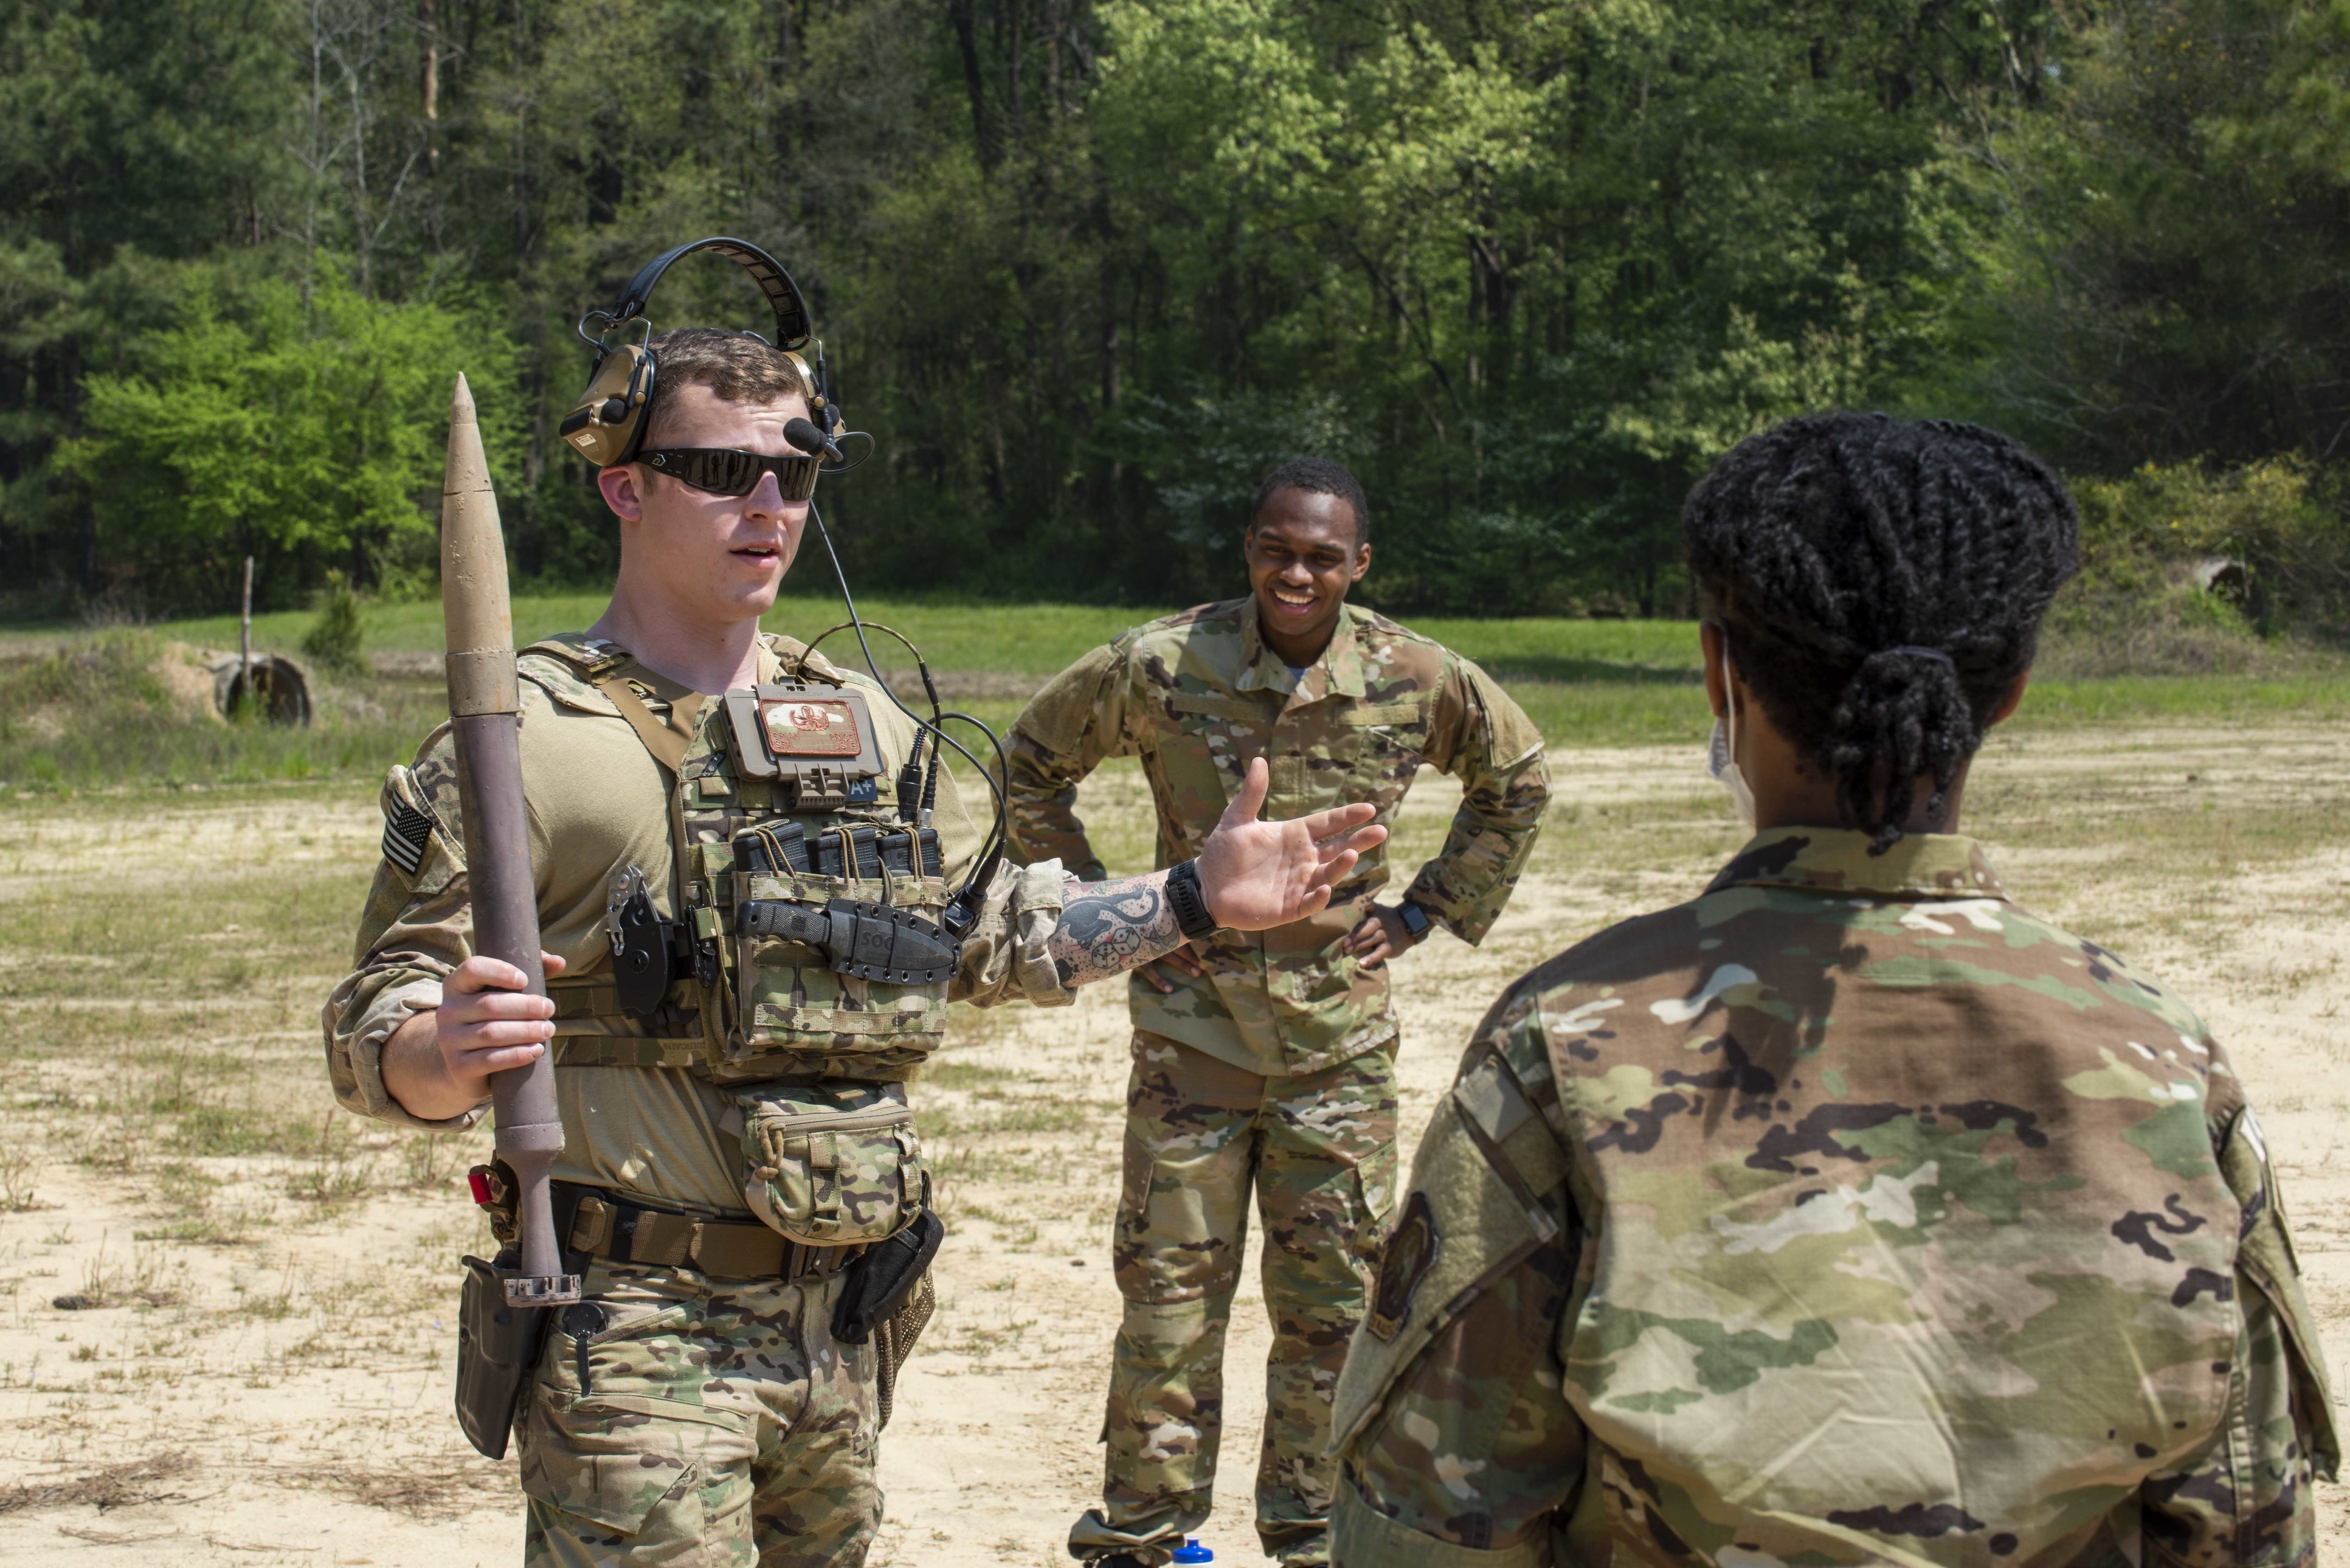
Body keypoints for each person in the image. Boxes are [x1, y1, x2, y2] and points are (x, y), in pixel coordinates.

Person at [321, 327, 1388, 1568]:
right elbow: (370, 1016)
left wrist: (1194, 897)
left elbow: (978, 938)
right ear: (625, 483)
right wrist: (435, 1053)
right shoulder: (527, 739)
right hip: (638, 1331)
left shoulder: (858, 724)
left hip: (844, 1318)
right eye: (723, 473)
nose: (769, 504)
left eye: (799, 469)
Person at [1327, 412, 2339, 1567]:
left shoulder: (1565, 1044)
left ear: (1718, 675)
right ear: (2006, 693)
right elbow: (2248, 1524)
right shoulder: (2164, 1063)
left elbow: (1429, 1521)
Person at [1004, 458, 1552, 1568]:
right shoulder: (1162, 663)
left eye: (1319, 555)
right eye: (1274, 547)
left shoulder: (1414, 673)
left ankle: (1312, 1540)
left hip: (1335, 1053)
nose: (1293, 572)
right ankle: (1141, 1541)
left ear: (1359, 563)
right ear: (1247, 546)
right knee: (1167, 1306)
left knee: (1333, 1316)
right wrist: (1119, 910)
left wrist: (1425, 911)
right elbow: (1029, 763)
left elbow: (1518, 778)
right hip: (1187, 1043)